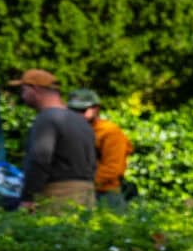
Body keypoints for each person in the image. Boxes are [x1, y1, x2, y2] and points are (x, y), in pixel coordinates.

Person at [10, 69, 96, 210]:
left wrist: (28, 197)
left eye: (23, 90)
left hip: (58, 197)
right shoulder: (81, 121)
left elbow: (39, 159)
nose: (22, 96)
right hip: (87, 196)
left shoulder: (46, 119)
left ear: (35, 89)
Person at [66, 88, 131, 209]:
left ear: (96, 108)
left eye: (82, 110)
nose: (78, 114)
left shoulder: (110, 132)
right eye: (73, 110)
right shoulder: (71, 128)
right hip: (78, 191)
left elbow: (113, 169)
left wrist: (82, 184)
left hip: (106, 193)